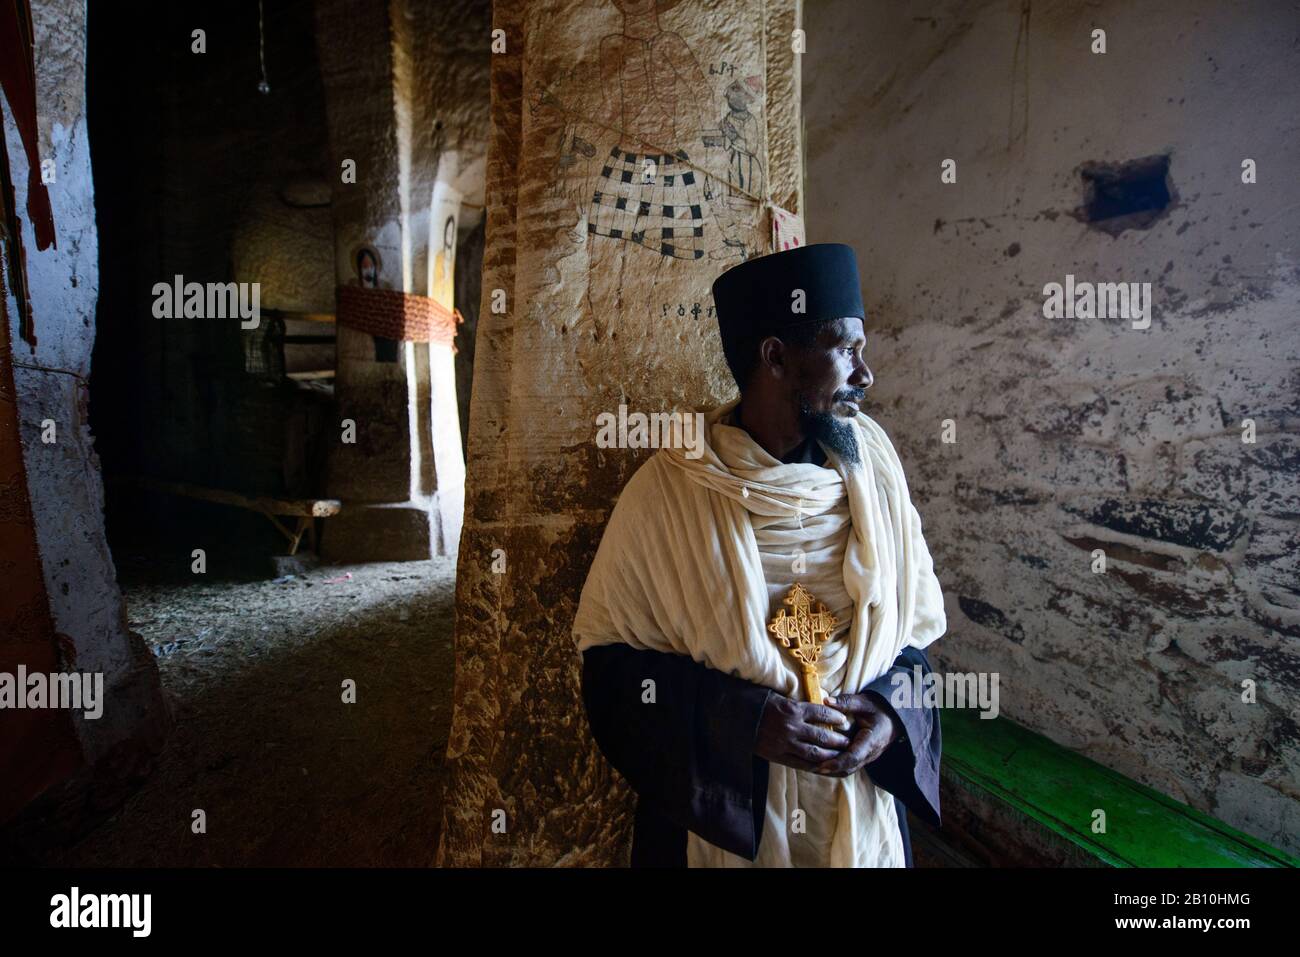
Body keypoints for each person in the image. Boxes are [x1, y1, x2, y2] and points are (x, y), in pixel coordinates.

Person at [573, 243, 947, 867]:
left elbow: (910, 645)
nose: (865, 375)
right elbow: (611, 674)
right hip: (726, 823)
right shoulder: (671, 493)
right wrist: (744, 722)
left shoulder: (877, 478)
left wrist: (887, 715)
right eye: (844, 350)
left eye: (863, 351)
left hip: (861, 819)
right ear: (775, 356)